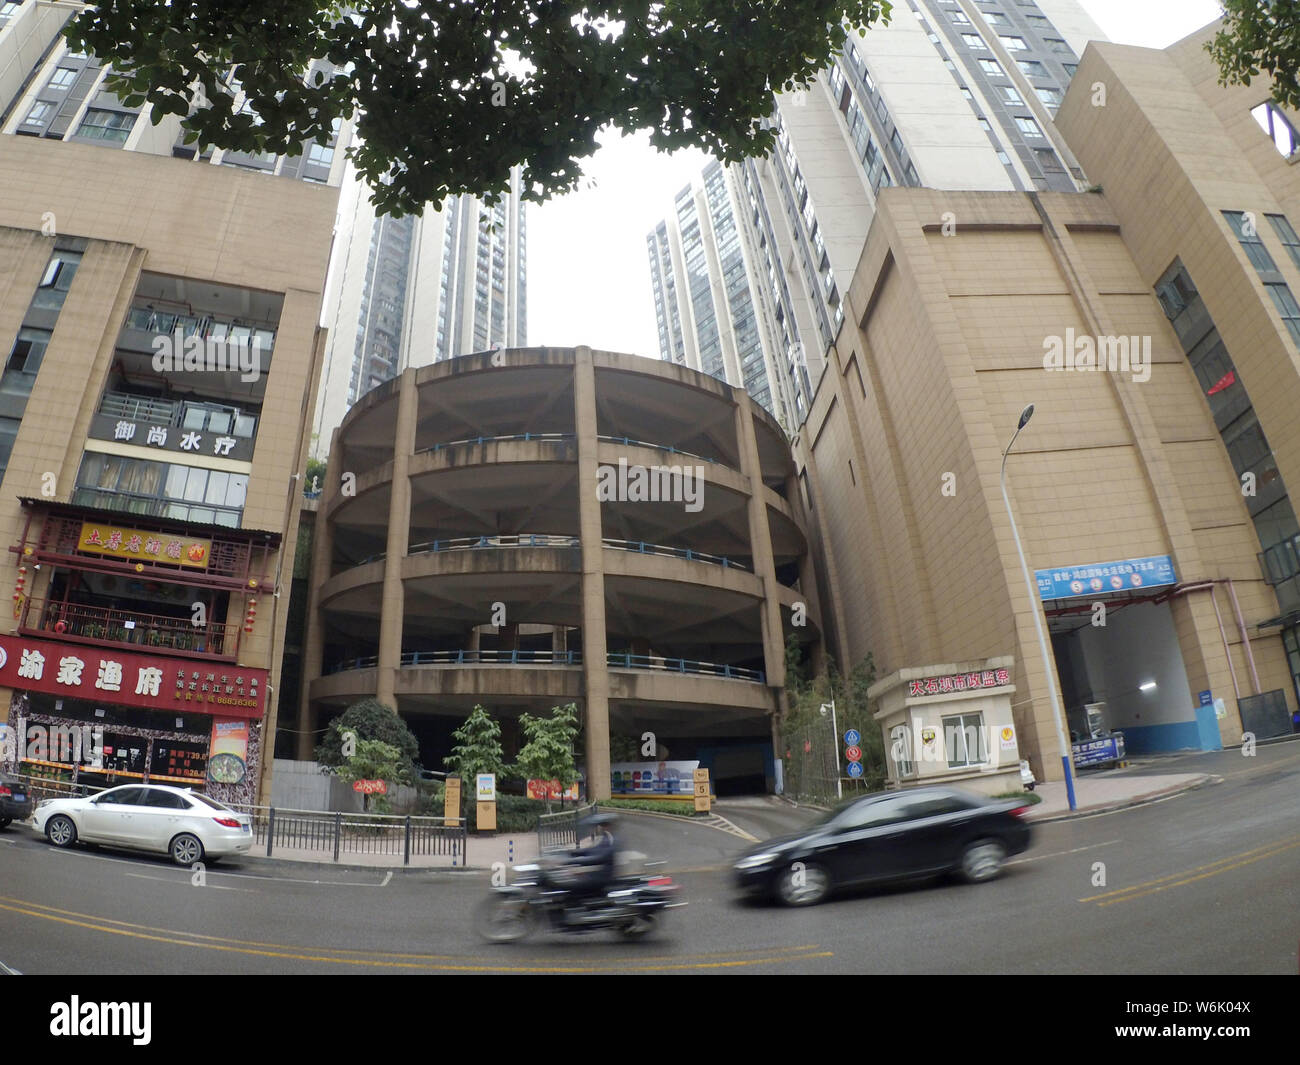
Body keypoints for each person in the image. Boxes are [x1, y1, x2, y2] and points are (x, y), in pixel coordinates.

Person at [561, 814, 618, 919]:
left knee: (573, 885)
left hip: (602, 875)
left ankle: (578, 915)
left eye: (602, 825)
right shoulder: (606, 837)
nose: (599, 827)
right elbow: (592, 851)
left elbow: (599, 857)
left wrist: (574, 860)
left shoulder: (612, 839)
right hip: (599, 871)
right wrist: (573, 853)